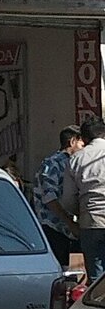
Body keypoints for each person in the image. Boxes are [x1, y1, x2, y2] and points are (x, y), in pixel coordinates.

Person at [31, 125, 83, 266]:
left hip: (68, 229)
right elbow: (50, 198)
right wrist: (70, 223)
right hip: (54, 228)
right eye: (82, 144)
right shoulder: (52, 164)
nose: (84, 149)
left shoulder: (74, 163)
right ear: (72, 142)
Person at [62, 116, 105, 282]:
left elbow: (68, 199)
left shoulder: (76, 159)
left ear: (84, 139)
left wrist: (80, 213)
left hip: (91, 221)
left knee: (96, 279)